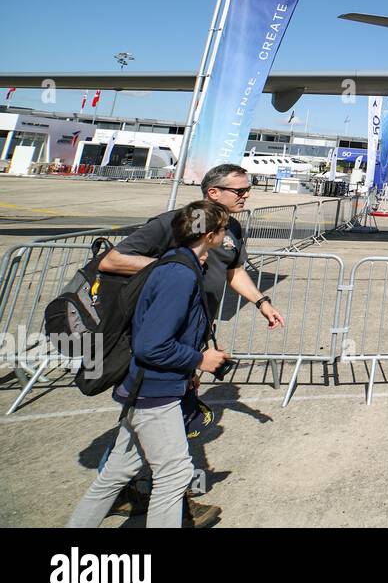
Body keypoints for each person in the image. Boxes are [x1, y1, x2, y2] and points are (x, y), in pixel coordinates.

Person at [98, 163, 284, 521]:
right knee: (163, 416)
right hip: (163, 337)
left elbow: (234, 271)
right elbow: (113, 259)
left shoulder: (230, 228)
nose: (247, 196)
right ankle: (172, 503)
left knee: (150, 421)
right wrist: (174, 267)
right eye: (239, 191)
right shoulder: (179, 222)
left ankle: (122, 488)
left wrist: (262, 303)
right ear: (213, 192)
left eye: (248, 189)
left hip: (193, 337)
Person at [68, 201, 233, 528]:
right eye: (223, 231)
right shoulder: (178, 275)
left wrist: (189, 372)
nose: (227, 237)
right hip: (154, 392)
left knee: (115, 474)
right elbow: (152, 345)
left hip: (147, 387)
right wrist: (202, 359)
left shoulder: (177, 264)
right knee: (175, 474)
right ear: (211, 235)